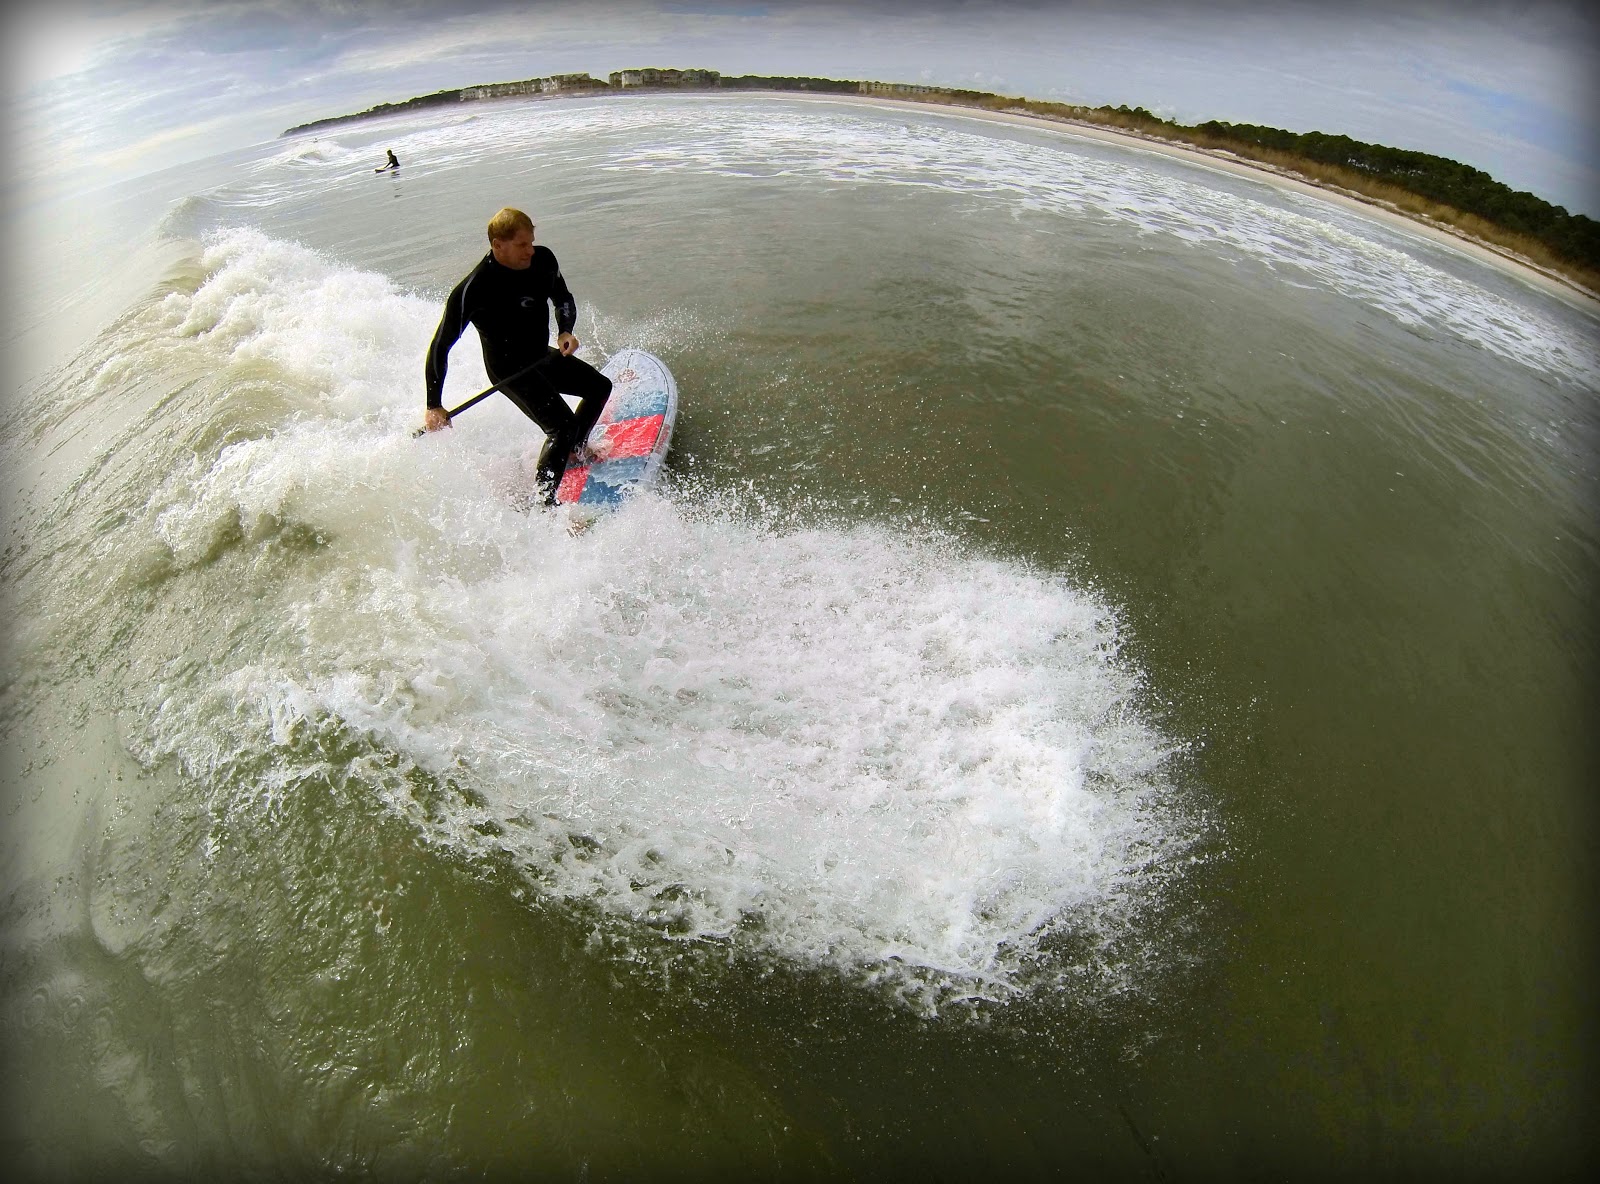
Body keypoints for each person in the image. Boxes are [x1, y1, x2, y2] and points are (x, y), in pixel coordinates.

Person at [422, 207, 612, 503]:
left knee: (600, 387)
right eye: (522, 245)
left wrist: (565, 330)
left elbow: (562, 296)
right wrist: (434, 404)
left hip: (541, 357)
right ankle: (545, 507)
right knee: (562, 428)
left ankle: (576, 450)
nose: (530, 251)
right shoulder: (474, 289)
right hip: (508, 370)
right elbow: (440, 346)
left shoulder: (543, 260)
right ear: (498, 245)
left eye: (531, 242)